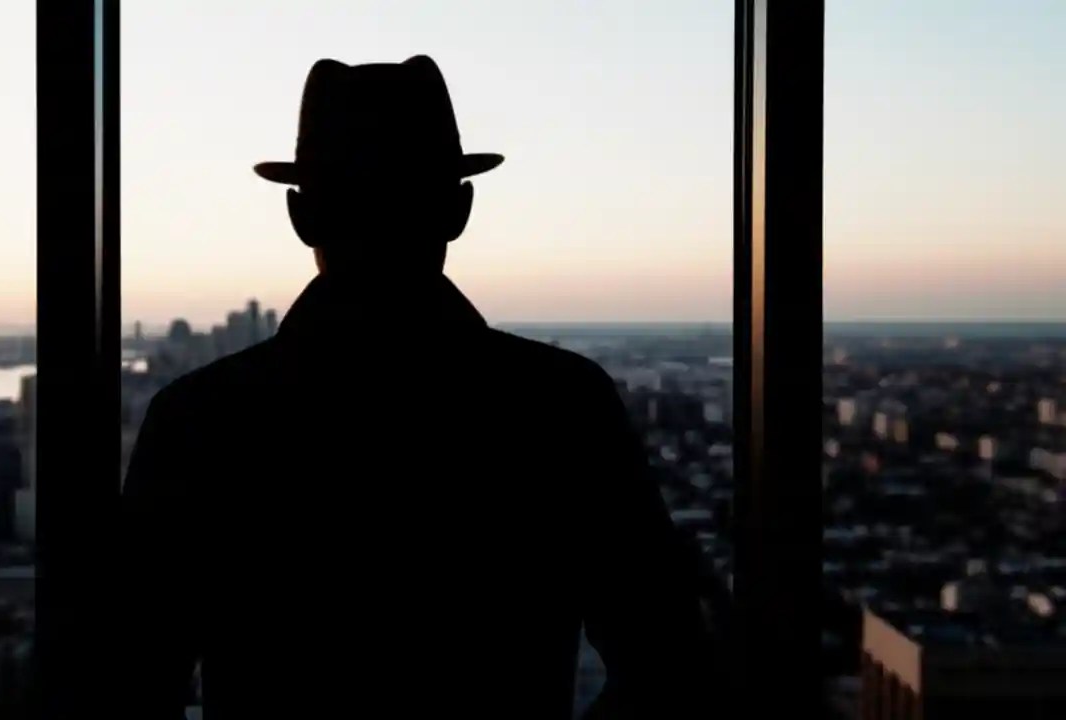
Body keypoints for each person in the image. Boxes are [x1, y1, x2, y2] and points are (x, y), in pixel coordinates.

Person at [119, 55, 712, 719]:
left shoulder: (200, 421)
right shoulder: (562, 406)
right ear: (458, 208)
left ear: (301, 216)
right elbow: (668, 664)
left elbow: (132, 684)